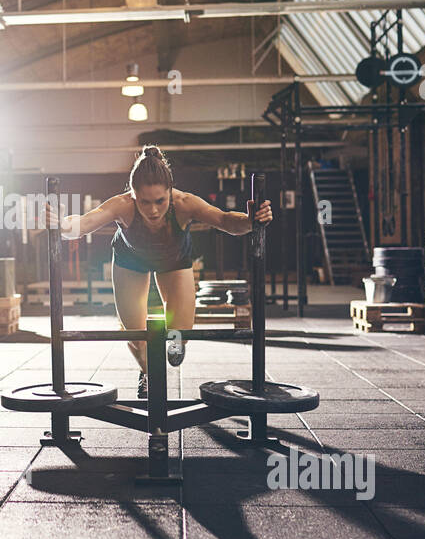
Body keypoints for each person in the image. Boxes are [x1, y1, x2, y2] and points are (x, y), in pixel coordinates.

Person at [44, 146, 271, 397]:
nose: (153, 210)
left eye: (160, 201)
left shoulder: (185, 203)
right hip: (131, 261)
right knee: (136, 336)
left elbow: (225, 220)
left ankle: (175, 346)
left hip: (174, 262)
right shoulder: (122, 205)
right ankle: (149, 373)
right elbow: (85, 223)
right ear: (134, 195)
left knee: (178, 338)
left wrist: (250, 221)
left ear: (170, 194)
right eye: (145, 202)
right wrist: (61, 224)